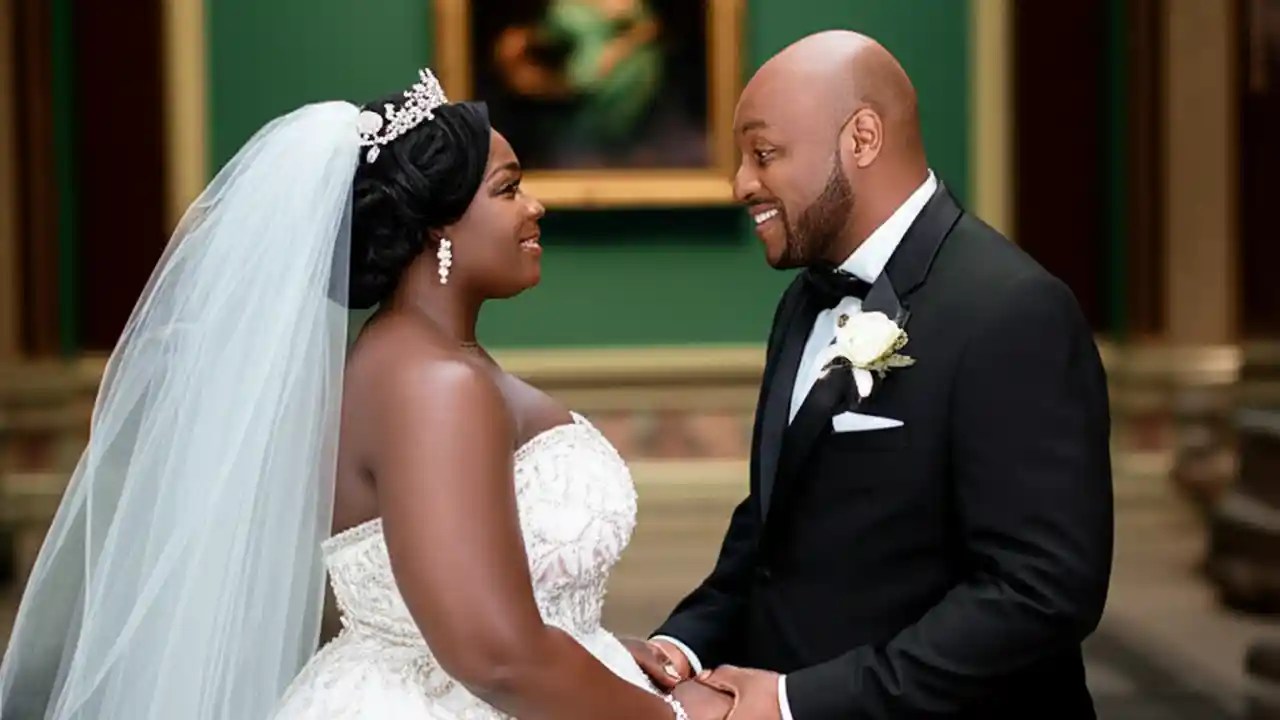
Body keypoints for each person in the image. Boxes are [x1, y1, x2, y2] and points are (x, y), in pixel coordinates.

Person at [0, 68, 732, 720]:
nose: (535, 207)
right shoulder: (433, 385)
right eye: (507, 189)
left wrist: (592, 650)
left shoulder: (415, 359)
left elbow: (496, 606)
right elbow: (495, 657)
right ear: (436, 227)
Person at [626, 31, 1115, 719]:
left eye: (764, 154)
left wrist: (799, 701)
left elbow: (1041, 591)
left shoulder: (1014, 310)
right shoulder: (805, 300)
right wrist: (684, 646)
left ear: (861, 138)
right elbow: (776, 529)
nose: (740, 183)